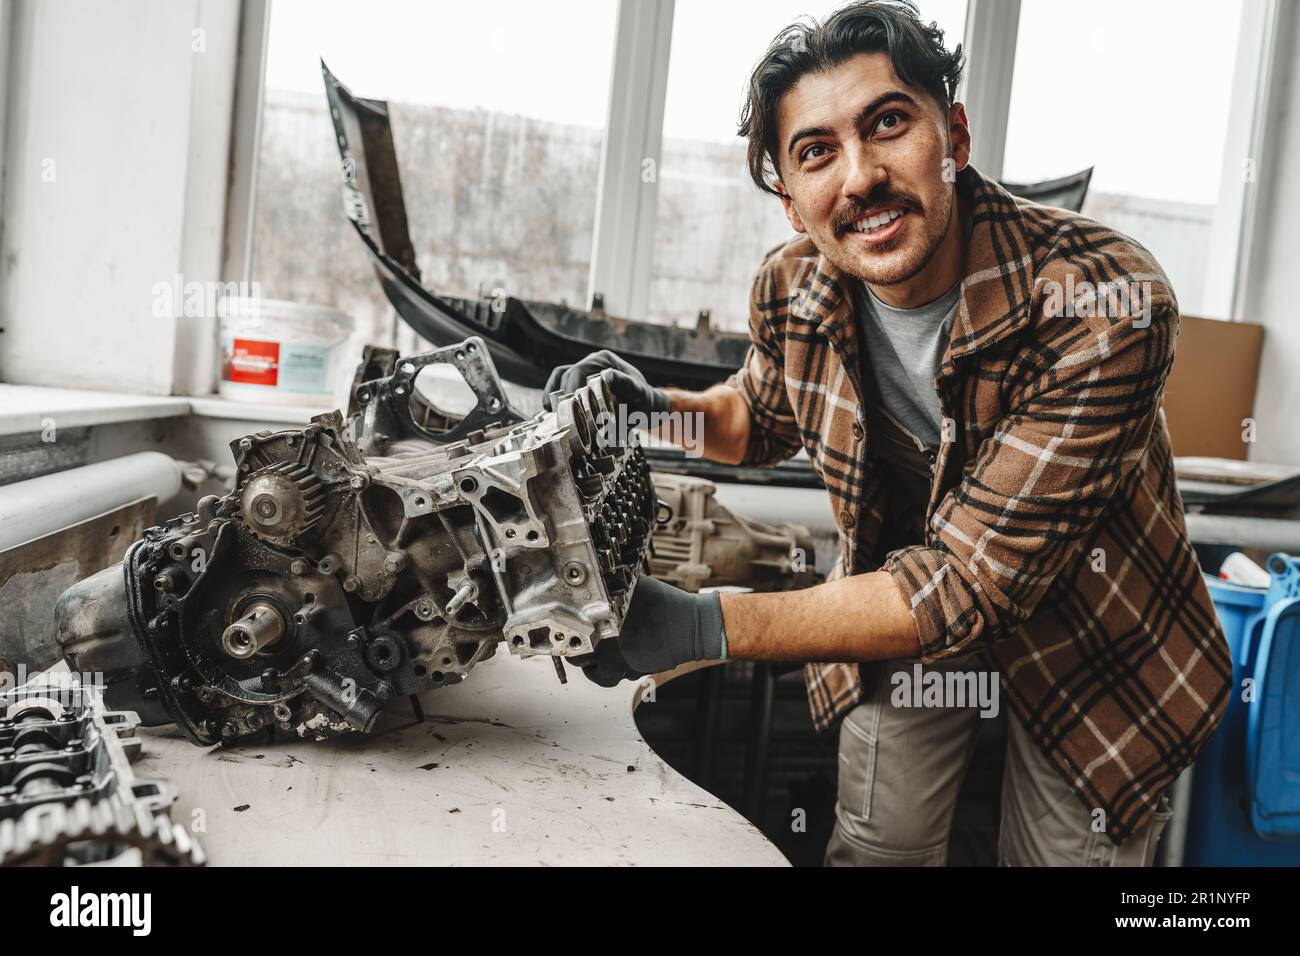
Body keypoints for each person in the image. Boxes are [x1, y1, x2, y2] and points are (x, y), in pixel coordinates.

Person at [544, 0, 1230, 866]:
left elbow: (966, 584)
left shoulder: (1104, 305)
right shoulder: (796, 284)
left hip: (1097, 639)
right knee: (878, 848)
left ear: (956, 137)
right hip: (895, 613)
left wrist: (701, 628)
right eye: (817, 152)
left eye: (889, 124)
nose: (860, 175)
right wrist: (647, 410)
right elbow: (757, 416)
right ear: (792, 203)